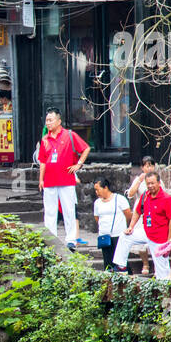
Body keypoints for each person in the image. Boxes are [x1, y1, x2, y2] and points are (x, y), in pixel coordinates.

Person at [35, 108, 90, 250]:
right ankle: (50, 239)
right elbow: (42, 161)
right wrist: (41, 180)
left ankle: (71, 239)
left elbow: (85, 148)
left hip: (66, 179)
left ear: (59, 121)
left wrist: (79, 164)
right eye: (47, 120)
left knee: (69, 210)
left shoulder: (69, 135)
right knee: (50, 211)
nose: (48, 123)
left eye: (51, 120)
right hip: (49, 180)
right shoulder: (45, 140)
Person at [113, 171, 171, 278]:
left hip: (159, 238)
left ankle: (168, 290)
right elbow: (137, 211)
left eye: (152, 183)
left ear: (159, 183)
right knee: (125, 236)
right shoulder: (145, 195)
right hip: (147, 231)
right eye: (148, 184)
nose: (150, 186)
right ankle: (121, 267)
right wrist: (131, 227)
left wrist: (168, 241)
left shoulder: (166, 199)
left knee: (163, 272)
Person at [125, 156, 157, 274]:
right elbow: (131, 194)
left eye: (151, 165)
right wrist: (139, 180)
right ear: (142, 167)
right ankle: (145, 263)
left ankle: (155, 261)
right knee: (141, 237)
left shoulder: (157, 179)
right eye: (146, 166)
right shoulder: (139, 179)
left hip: (154, 210)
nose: (149, 168)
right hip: (141, 211)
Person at [92, 177, 131, 270]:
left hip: (118, 235)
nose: (96, 192)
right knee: (107, 262)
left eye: (98, 189)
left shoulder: (120, 199)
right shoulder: (97, 203)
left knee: (120, 262)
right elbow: (97, 217)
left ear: (105, 187)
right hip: (104, 236)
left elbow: (128, 215)